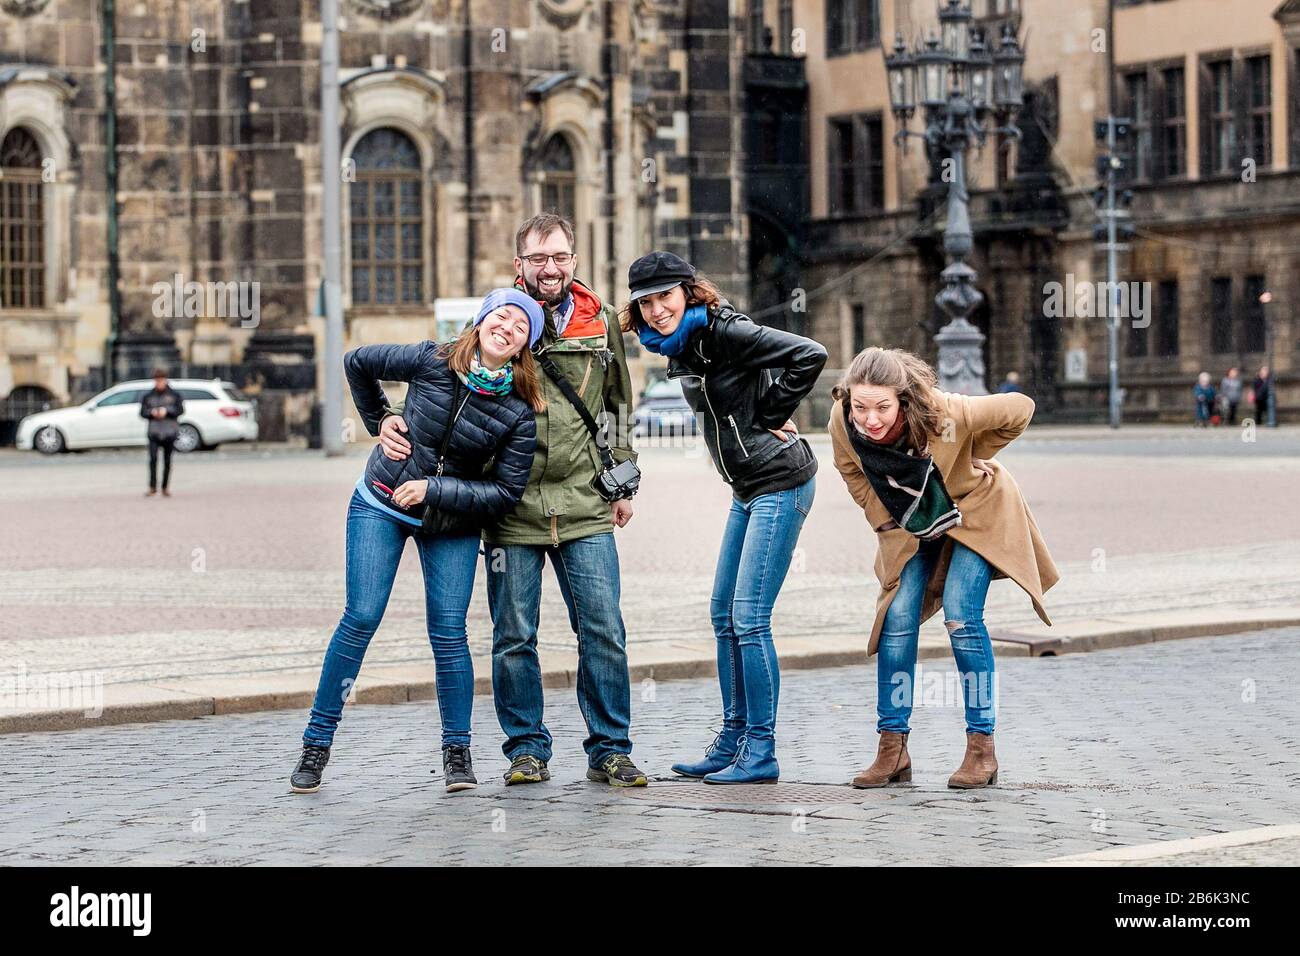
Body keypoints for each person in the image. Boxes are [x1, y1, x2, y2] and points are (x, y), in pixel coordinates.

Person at [379, 214, 647, 788]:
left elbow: (620, 405)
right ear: (519, 265)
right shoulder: (499, 323)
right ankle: (526, 750)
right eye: (538, 258)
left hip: (584, 502)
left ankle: (611, 750)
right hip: (510, 507)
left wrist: (622, 482)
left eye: (560, 256)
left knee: (602, 629)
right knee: (513, 635)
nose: (550, 267)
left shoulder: (598, 321)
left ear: (573, 260)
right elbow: (443, 385)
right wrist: (389, 420)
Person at [290, 289, 544, 795]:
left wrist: (434, 489)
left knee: (449, 633)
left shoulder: (518, 412)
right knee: (361, 616)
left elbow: (505, 493)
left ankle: (457, 752)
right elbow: (357, 361)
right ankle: (316, 746)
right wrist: (379, 419)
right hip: (380, 503)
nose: (509, 326)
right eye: (504, 314)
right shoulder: (433, 359)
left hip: (450, 523)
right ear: (484, 319)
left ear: (523, 348)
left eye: (522, 326)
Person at [621, 251, 827, 784]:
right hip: (745, 489)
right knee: (722, 614)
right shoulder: (677, 344)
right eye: (645, 302)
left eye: (665, 297)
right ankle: (733, 739)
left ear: (688, 291)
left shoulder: (726, 331)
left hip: (780, 481)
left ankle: (761, 751)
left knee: (749, 618)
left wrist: (772, 413)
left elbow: (810, 353)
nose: (657, 310)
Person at [828, 347, 1058, 789]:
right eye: (861, 406)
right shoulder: (844, 422)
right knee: (896, 618)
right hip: (910, 521)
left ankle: (981, 749)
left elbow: (1021, 408)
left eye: (882, 407)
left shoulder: (942, 411)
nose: (870, 419)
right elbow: (849, 471)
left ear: (904, 400)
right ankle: (892, 748)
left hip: (974, 512)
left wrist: (975, 448)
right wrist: (886, 519)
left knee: (960, 615)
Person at [139, 368, 184, 496]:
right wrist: (151, 413)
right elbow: (142, 412)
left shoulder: (175, 395)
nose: (159, 383)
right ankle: (152, 487)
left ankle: (165, 487)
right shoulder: (148, 396)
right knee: (153, 459)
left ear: (165, 380)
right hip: (154, 431)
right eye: (157, 380)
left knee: (167, 461)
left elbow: (180, 410)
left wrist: (167, 412)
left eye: (161, 380)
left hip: (170, 431)